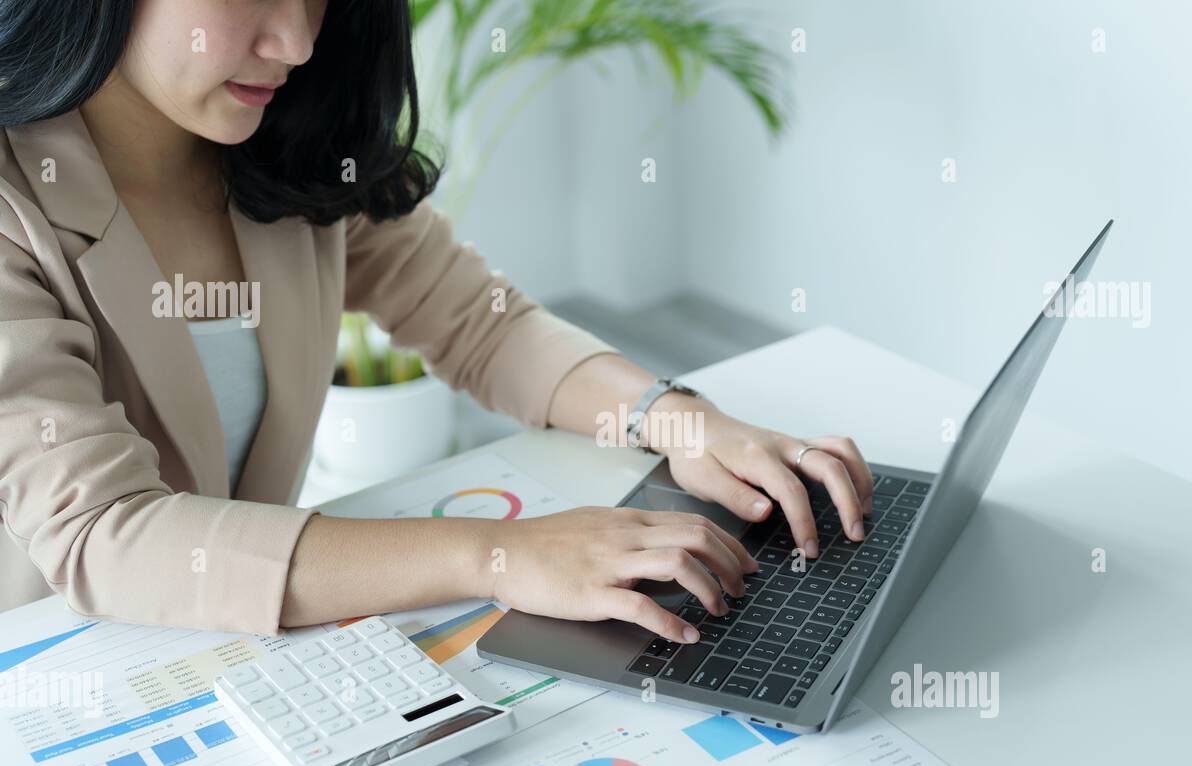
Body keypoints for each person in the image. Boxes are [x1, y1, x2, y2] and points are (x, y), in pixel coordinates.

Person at [0, 0, 872, 644]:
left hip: (242, 657)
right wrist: (496, 555)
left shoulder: (282, 143)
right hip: (58, 683)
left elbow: (483, 326)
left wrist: (679, 420)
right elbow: (105, 531)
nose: (298, 40)